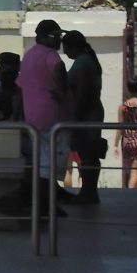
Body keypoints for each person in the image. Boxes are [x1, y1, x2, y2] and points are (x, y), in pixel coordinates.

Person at [15, 19, 72, 214]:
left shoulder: (29, 55)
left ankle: (48, 200)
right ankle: (45, 205)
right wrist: (63, 89)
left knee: (42, 162)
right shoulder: (51, 56)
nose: (59, 40)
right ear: (43, 37)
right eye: (56, 36)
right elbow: (59, 72)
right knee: (49, 165)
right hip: (51, 118)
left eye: (59, 36)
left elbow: (21, 84)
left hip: (33, 117)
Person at [62, 29, 104, 204]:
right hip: (92, 112)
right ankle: (90, 192)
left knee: (87, 155)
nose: (64, 52)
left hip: (85, 115)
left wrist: (75, 116)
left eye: (65, 47)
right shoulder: (88, 60)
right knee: (89, 154)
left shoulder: (81, 63)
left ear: (72, 47)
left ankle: (87, 193)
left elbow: (81, 93)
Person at [114, 77, 137, 189]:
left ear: (128, 88)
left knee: (132, 170)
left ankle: (131, 193)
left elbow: (120, 127)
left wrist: (115, 144)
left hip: (127, 141)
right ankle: (132, 195)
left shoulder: (123, 107)